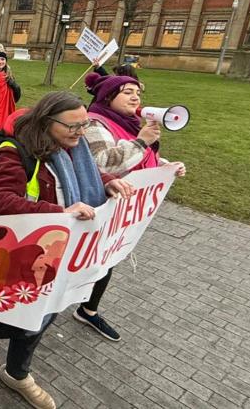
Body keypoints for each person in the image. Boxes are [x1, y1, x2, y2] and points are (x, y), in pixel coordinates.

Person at [0, 91, 134, 409]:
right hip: (17, 249)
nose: (80, 132)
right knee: (23, 319)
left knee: (44, 314)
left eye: (84, 124)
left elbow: (80, 173)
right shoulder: (14, 150)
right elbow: (0, 199)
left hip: (59, 251)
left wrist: (106, 182)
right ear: (47, 122)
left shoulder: (74, 146)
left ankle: (15, 374)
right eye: (72, 126)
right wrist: (59, 212)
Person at [78, 72, 186, 340]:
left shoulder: (129, 123)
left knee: (109, 258)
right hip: (99, 206)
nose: (135, 96)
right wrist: (141, 141)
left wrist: (166, 167)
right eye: (127, 91)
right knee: (87, 258)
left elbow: (142, 159)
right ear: (108, 96)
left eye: (137, 92)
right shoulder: (95, 123)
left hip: (123, 212)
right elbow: (104, 162)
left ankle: (88, 310)